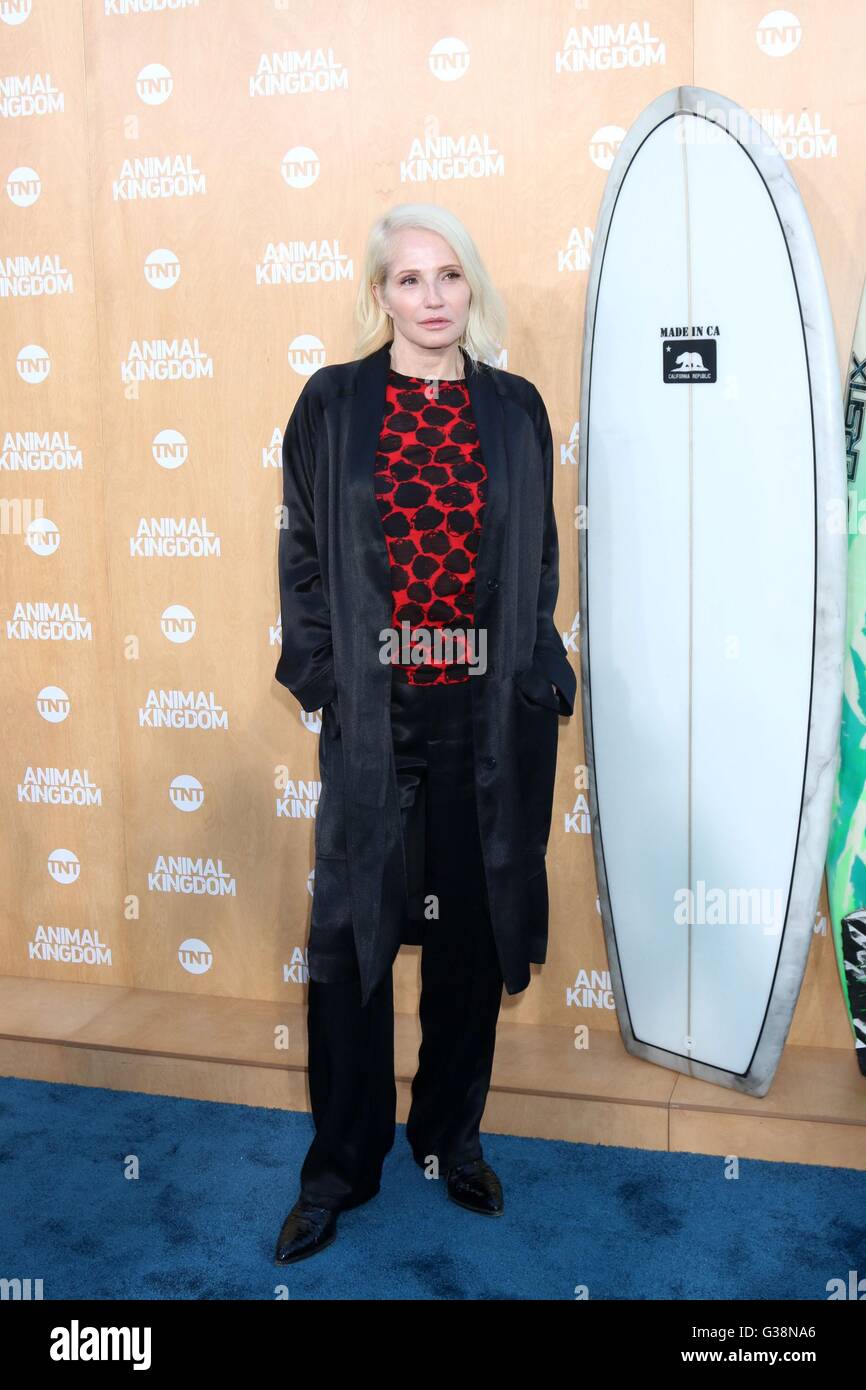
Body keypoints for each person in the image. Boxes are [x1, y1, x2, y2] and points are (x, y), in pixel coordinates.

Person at [273, 203, 575, 1264]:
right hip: (376, 716)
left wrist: (535, 666)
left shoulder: (514, 409)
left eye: (448, 275)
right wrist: (329, 682)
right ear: (379, 294)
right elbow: (303, 556)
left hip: (485, 718)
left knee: (467, 942)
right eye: (409, 280)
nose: (432, 296)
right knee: (348, 949)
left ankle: (449, 1137)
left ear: (470, 287)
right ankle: (339, 1167)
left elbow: (534, 561)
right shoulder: (333, 404)